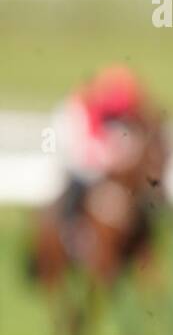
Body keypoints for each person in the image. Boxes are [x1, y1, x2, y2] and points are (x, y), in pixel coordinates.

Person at [54, 66, 148, 222]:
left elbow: (124, 139)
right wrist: (107, 158)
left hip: (102, 167)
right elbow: (79, 149)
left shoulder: (112, 115)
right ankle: (70, 228)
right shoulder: (75, 112)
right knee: (77, 190)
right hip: (80, 165)